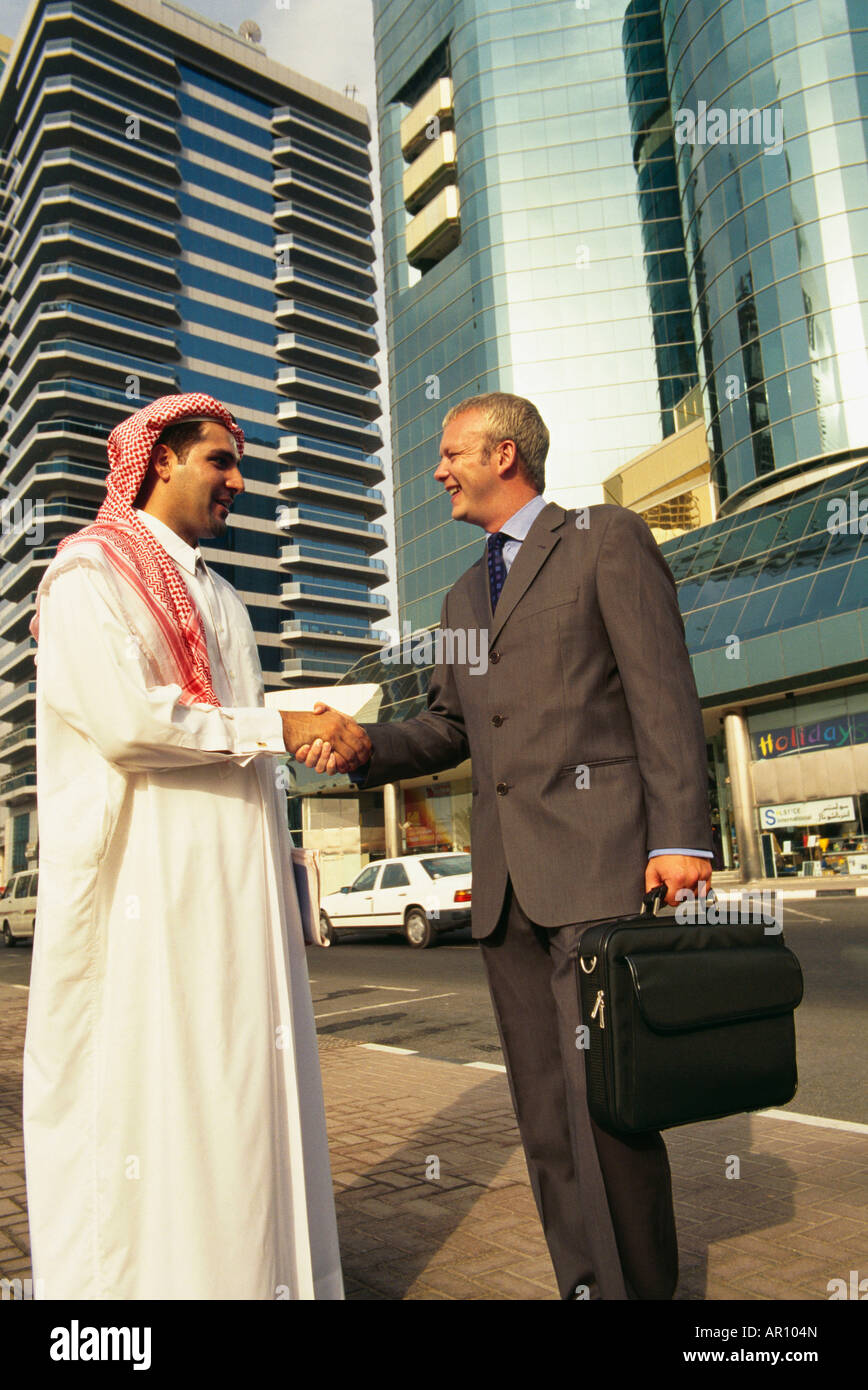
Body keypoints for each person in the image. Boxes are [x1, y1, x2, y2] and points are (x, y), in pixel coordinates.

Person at [300, 392, 713, 1300]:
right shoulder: (457, 594)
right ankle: (585, 1287)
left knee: (607, 1111)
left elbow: (662, 690)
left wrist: (682, 835)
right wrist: (368, 745)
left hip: (602, 868)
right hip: (504, 899)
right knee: (544, 1119)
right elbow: (448, 728)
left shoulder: (604, 539)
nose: (438, 470)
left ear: (505, 454)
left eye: (451, 454)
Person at [23, 392, 370, 1299]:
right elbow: (129, 724)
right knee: (159, 1100)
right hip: (143, 895)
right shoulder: (87, 577)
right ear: (161, 459)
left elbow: (245, 743)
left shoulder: (220, 594)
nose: (237, 480)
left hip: (237, 895)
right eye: (220, 460)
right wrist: (281, 722)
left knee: (244, 1099)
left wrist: (302, 739)